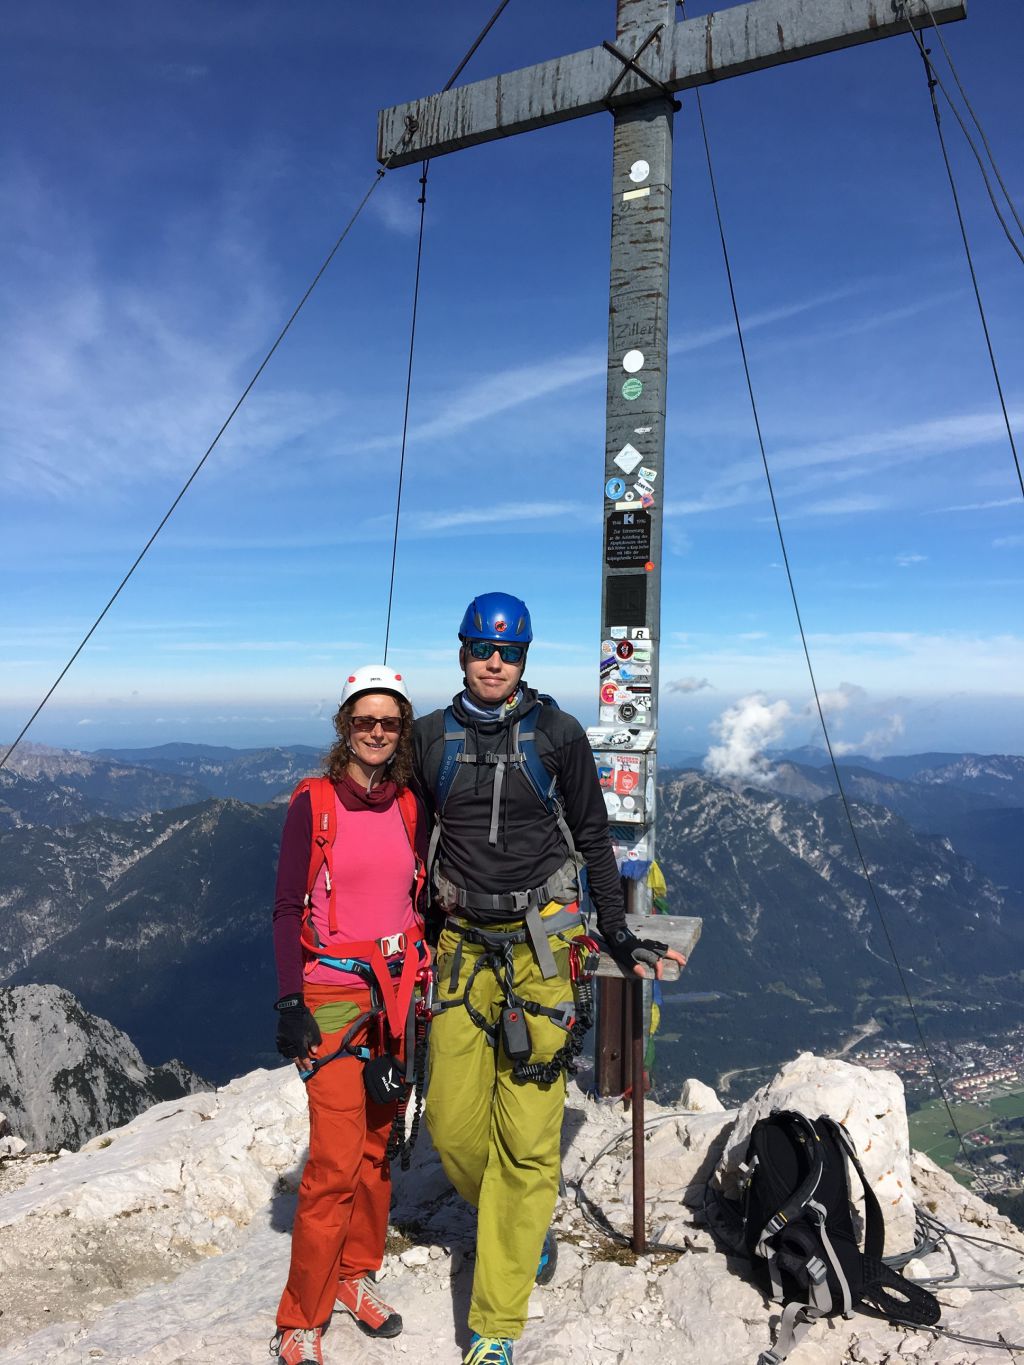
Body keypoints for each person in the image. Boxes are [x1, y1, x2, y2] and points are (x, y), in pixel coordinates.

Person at [414, 592, 686, 1365]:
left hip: (540, 949)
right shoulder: (432, 736)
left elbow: (594, 836)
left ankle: (495, 1324)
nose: (493, 661)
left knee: (531, 1144)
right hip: (463, 945)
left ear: (524, 658)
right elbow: (410, 830)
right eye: (480, 648)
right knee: (453, 1127)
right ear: (462, 651)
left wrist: (617, 927)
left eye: (506, 651)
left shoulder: (558, 733)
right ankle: (519, 1222)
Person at [270, 665, 428, 1365]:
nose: (376, 732)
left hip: (395, 994)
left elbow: (413, 900)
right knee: (334, 1161)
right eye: (365, 720)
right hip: (332, 995)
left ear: (401, 732)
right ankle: (301, 1316)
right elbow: (284, 908)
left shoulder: (408, 805)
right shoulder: (315, 803)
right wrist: (288, 999)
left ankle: (356, 1274)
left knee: (377, 1151)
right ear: (345, 725)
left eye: (389, 722)